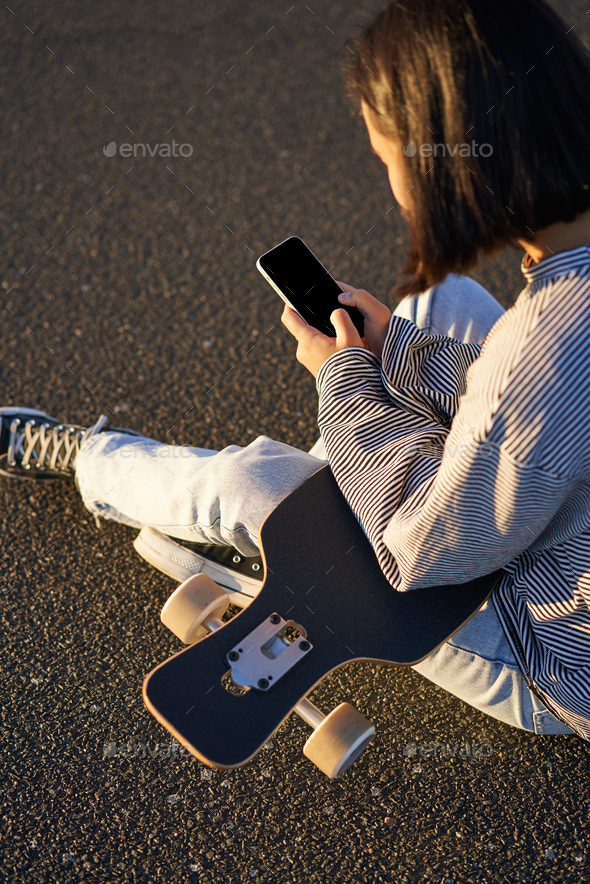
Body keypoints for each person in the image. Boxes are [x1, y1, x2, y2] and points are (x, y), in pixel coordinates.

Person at [2, 0, 590, 740]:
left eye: (387, 161)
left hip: (549, 648)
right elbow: (548, 406)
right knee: (435, 304)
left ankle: (92, 459)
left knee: (258, 485)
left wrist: (343, 379)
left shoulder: (537, 352)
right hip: (553, 515)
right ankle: (322, 495)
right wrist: (395, 356)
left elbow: (418, 546)